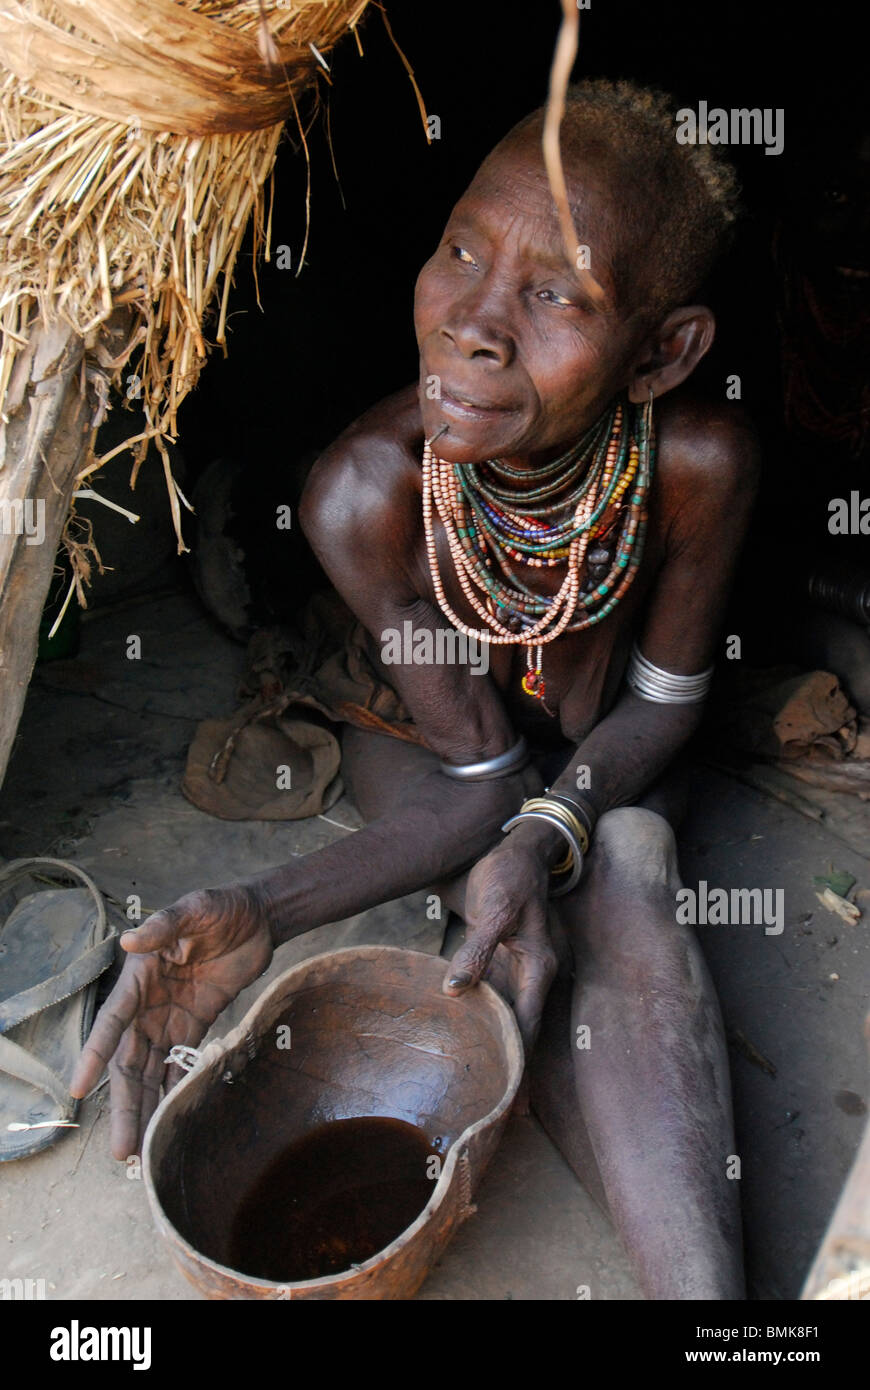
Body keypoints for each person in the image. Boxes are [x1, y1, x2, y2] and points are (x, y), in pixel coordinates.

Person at [72, 80, 759, 1300]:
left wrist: (560, 822)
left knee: (635, 863)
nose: (474, 324)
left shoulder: (699, 460)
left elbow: (662, 704)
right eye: (462, 252)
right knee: (498, 926)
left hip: (605, 733)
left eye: (554, 295)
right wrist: (264, 904)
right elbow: (478, 779)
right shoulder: (363, 491)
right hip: (431, 729)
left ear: (664, 351)